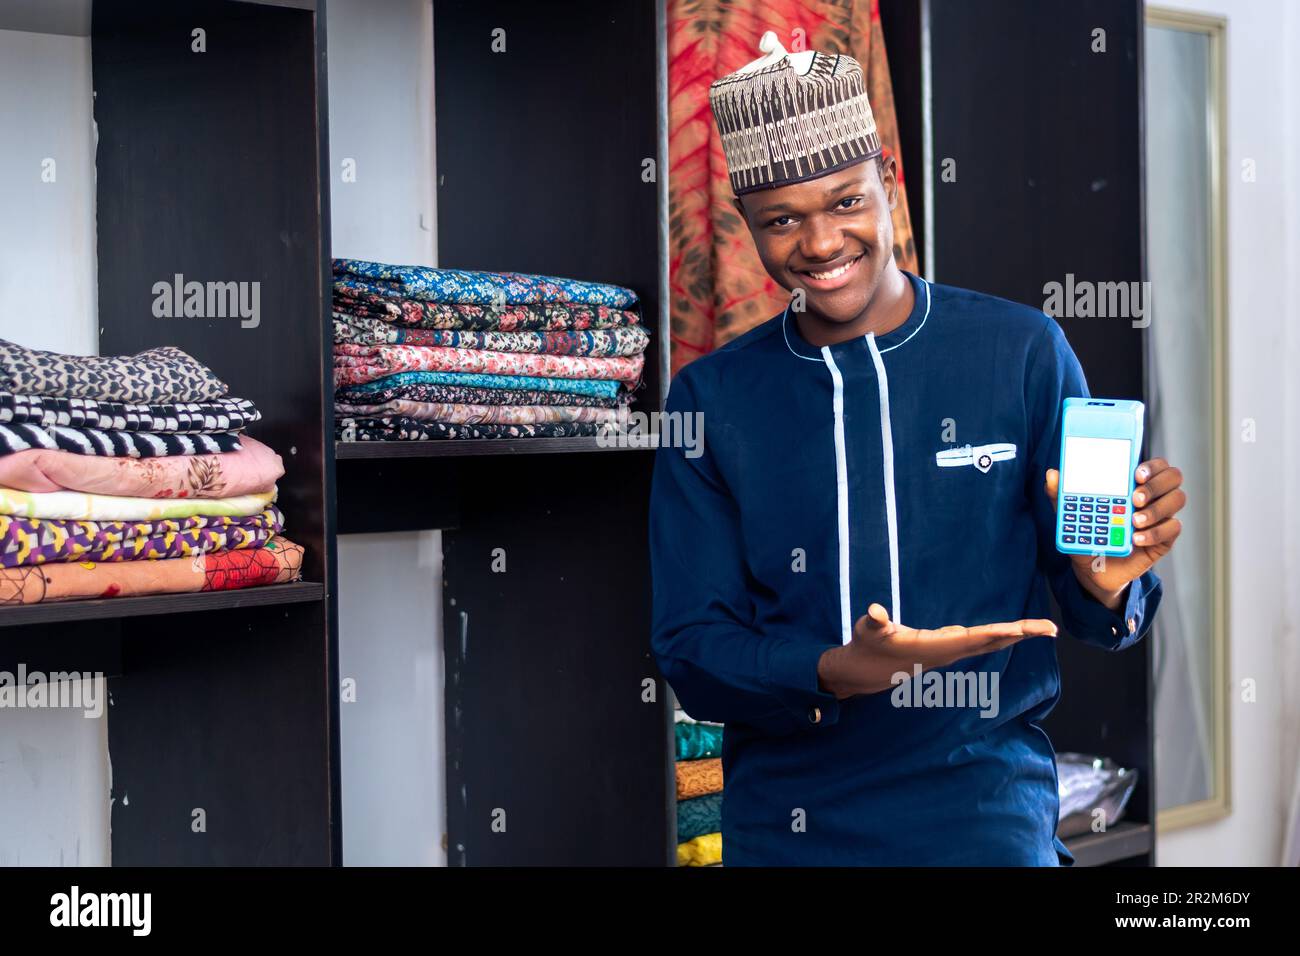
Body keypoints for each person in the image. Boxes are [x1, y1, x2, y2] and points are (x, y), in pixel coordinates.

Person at [649, 34, 1185, 865]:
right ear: (747, 227)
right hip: (790, 831)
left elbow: (1102, 613)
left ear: (890, 184)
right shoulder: (713, 400)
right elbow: (691, 649)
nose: (821, 243)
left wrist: (1106, 582)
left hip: (985, 819)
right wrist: (833, 668)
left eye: (845, 202)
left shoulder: (1021, 351)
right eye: (782, 220)